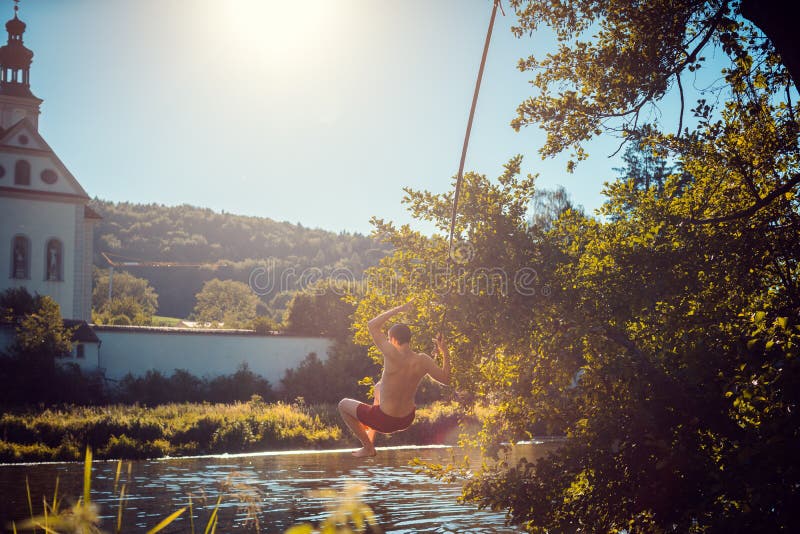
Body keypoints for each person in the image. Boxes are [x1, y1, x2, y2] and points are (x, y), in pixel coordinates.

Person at [338, 299, 450, 458]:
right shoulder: (423, 360)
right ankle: (371, 437)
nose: (388, 342)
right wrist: (444, 351)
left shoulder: (391, 353)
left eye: (389, 339)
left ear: (394, 340)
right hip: (406, 419)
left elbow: (372, 325)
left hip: (385, 420)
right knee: (378, 387)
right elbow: (446, 379)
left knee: (343, 405)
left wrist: (400, 309)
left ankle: (368, 447)